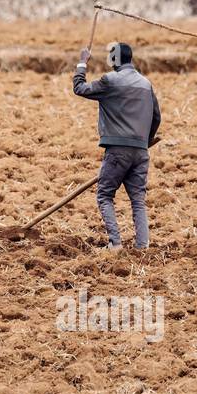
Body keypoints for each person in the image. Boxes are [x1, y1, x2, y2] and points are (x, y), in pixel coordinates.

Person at [73, 42, 161, 249]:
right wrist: (144, 142)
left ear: (114, 59)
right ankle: (142, 247)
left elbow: (79, 88)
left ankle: (116, 243)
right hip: (141, 151)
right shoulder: (146, 84)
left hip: (117, 150)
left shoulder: (109, 81)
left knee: (104, 195)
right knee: (138, 201)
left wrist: (82, 63)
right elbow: (156, 117)